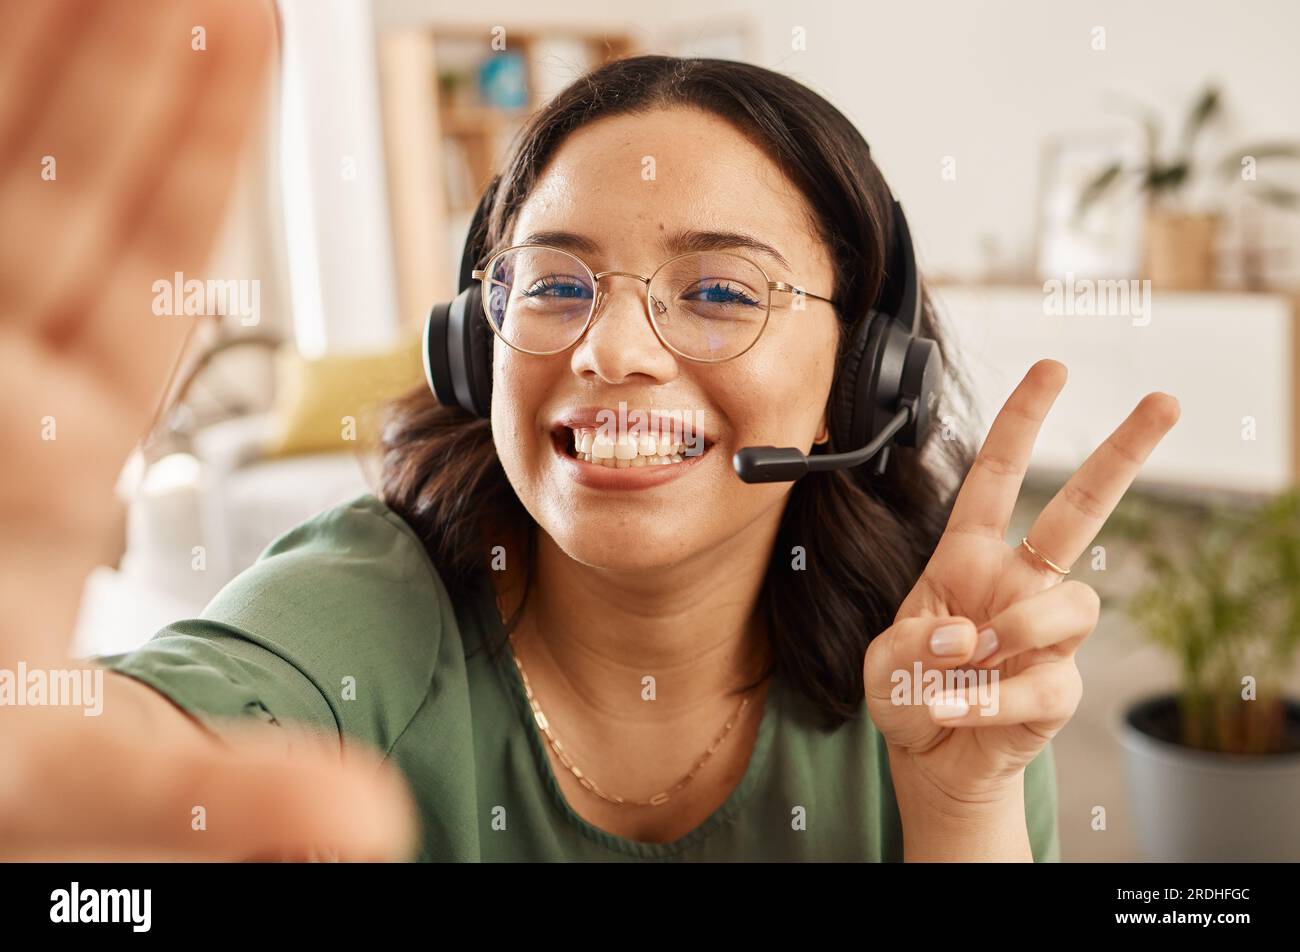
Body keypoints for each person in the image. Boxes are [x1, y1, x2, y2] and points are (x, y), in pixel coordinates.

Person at [0, 1, 1180, 861]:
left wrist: (960, 805)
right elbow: (115, 752)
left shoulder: (945, 651)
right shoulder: (364, 608)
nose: (611, 350)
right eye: (555, 284)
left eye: (719, 292)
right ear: (476, 347)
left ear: (861, 379)